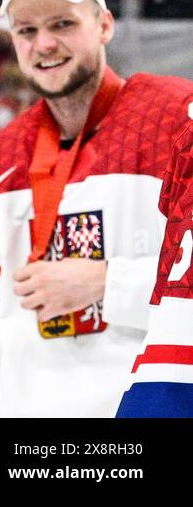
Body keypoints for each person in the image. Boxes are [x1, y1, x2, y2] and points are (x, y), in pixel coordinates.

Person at [0, 0, 193, 417]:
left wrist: (108, 282)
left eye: (62, 24)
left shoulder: (175, 122)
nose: (44, 44)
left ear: (104, 25)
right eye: (26, 30)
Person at [117, 122, 193, 416]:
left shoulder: (172, 108)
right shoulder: (186, 143)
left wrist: (109, 283)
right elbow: (165, 298)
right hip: (161, 392)